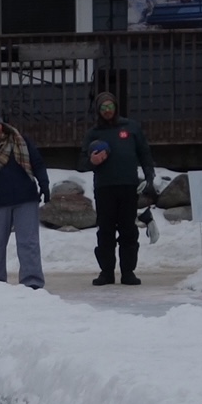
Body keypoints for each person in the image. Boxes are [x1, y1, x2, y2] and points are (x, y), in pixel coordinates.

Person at [80, 91, 152, 285]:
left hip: (128, 186)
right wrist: (92, 161)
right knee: (105, 231)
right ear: (98, 110)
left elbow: (144, 152)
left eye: (110, 106)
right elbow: (82, 162)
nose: (107, 110)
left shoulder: (131, 127)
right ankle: (106, 272)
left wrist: (149, 175)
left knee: (128, 230)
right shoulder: (93, 133)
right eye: (103, 107)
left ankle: (128, 272)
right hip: (104, 188)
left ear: (116, 107)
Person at [0, 105, 46, 288]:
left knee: (28, 242)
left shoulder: (20, 140)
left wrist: (44, 183)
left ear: (2, 124)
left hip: (26, 198)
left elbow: (37, 162)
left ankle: (32, 281)